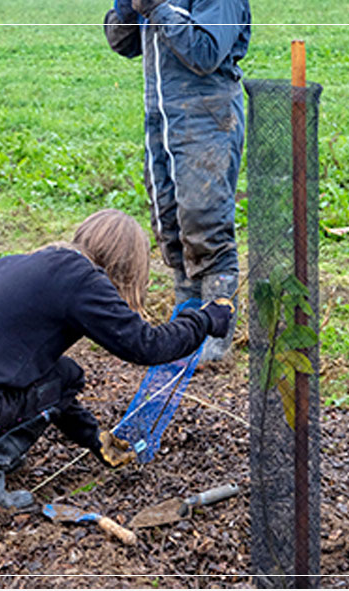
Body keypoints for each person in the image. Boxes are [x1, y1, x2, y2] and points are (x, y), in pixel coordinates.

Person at [0, 209, 233, 512]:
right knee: (67, 376)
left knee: (61, 374)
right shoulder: (83, 281)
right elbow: (145, 346)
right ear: (126, 264)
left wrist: (93, 437)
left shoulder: (26, 263)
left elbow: (48, 382)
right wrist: (204, 320)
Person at [103, 0, 250, 365]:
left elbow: (206, 52)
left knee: (205, 222)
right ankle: (187, 328)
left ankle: (217, 338)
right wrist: (126, 11)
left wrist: (155, 8)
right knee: (171, 225)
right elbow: (122, 43)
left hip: (206, 115)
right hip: (162, 117)